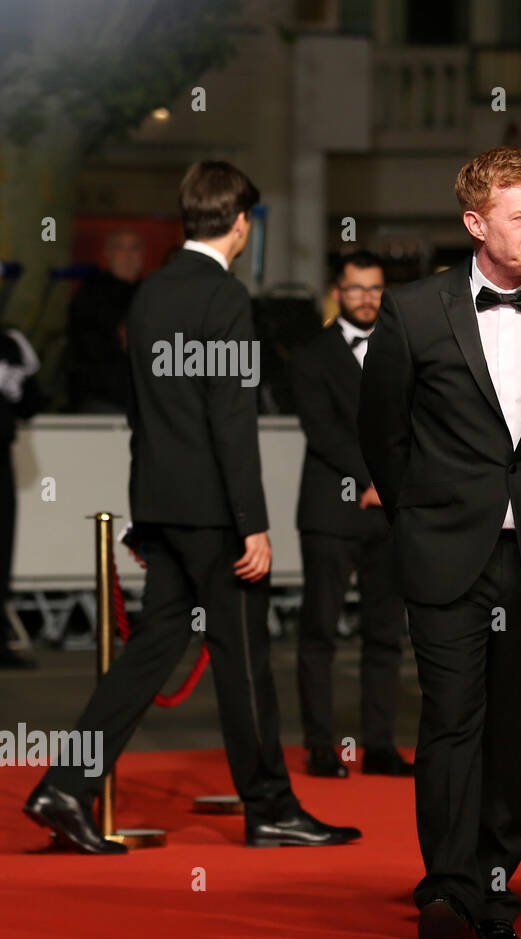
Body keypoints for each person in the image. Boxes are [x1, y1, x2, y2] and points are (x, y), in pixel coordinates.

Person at [23, 161, 361, 854]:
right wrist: (254, 523)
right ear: (240, 225)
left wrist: (144, 513)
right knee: (243, 659)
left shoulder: (146, 297)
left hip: (164, 506)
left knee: (149, 653)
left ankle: (66, 784)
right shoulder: (226, 299)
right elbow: (229, 420)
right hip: (215, 514)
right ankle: (269, 807)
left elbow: (145, 415)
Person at [358, 146, 521, 939]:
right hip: (443, 555)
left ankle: (496, 891)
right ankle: (448, 889)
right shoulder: (413, 311)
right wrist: (425, 513)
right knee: (451, 722)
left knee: (513, 731)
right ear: (476, 224)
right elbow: (383, 436)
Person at [291, 251, 412, 778]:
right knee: (320, 631)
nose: (367, 298)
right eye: (356, 288)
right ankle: (320, 746)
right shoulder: (311, 354)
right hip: (331, 511)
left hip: (390, 514)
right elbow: (323, 430)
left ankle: (380, 746)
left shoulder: (404, 350)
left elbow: (417, 422)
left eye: (375, 288)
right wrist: (368, 481)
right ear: (337, 292)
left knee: (385, 633)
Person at [0, 327, 44, 669]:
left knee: (2, 550)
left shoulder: (10, 343)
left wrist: (17, 387)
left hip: (1, 456)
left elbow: (33, 404)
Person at [64, 229, 144, 413]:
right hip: (103, 396)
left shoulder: (151, 293)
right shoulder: (91, 295)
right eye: (121, 248)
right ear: (108, 254)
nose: (128, 255)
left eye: (134, 248)